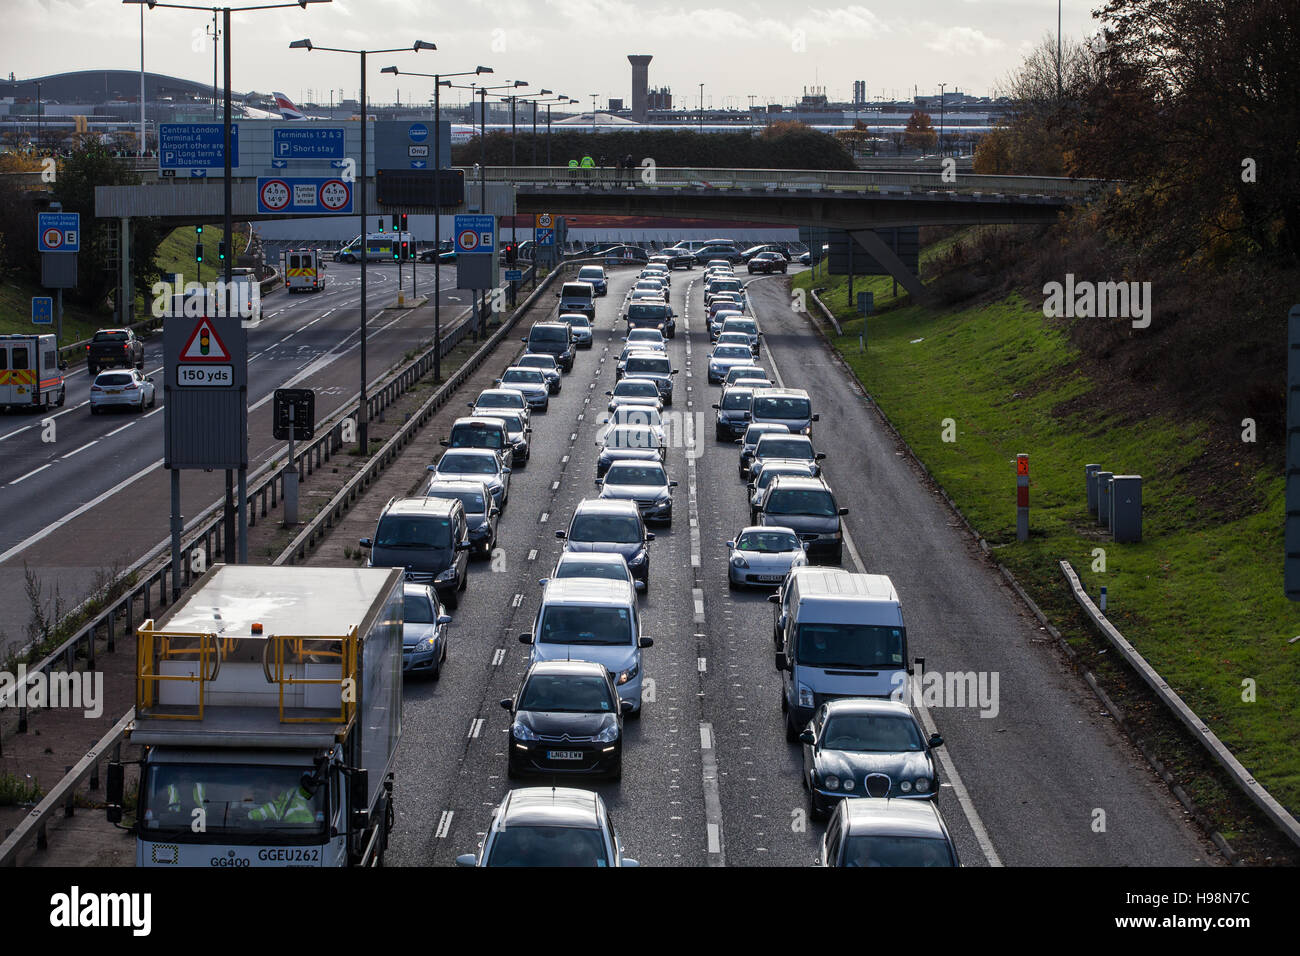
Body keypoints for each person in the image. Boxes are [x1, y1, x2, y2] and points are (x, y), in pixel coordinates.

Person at [247, 782, 316, 824]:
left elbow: (310, 792)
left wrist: (310, 783)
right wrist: (245, 813)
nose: (270, 790)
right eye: (268, 788)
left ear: (279, 786)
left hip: (308, 831)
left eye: (271, 786)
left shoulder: (294, 792)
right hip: (297, 834)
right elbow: (255, 815)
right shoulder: (271, 806)